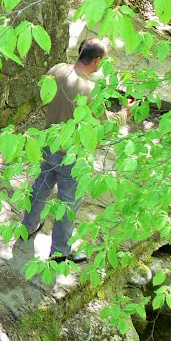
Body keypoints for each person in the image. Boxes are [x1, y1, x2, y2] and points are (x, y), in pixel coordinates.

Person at [21, 37, 128, 263]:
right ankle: (60, 251)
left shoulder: (58, 70)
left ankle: (28, 227)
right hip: (72, 155)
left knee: (41, 186)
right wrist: (125, 113)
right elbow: (103, 128)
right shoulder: (90, 91)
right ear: (97, 61)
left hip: (48, 141)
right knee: (68, 203)